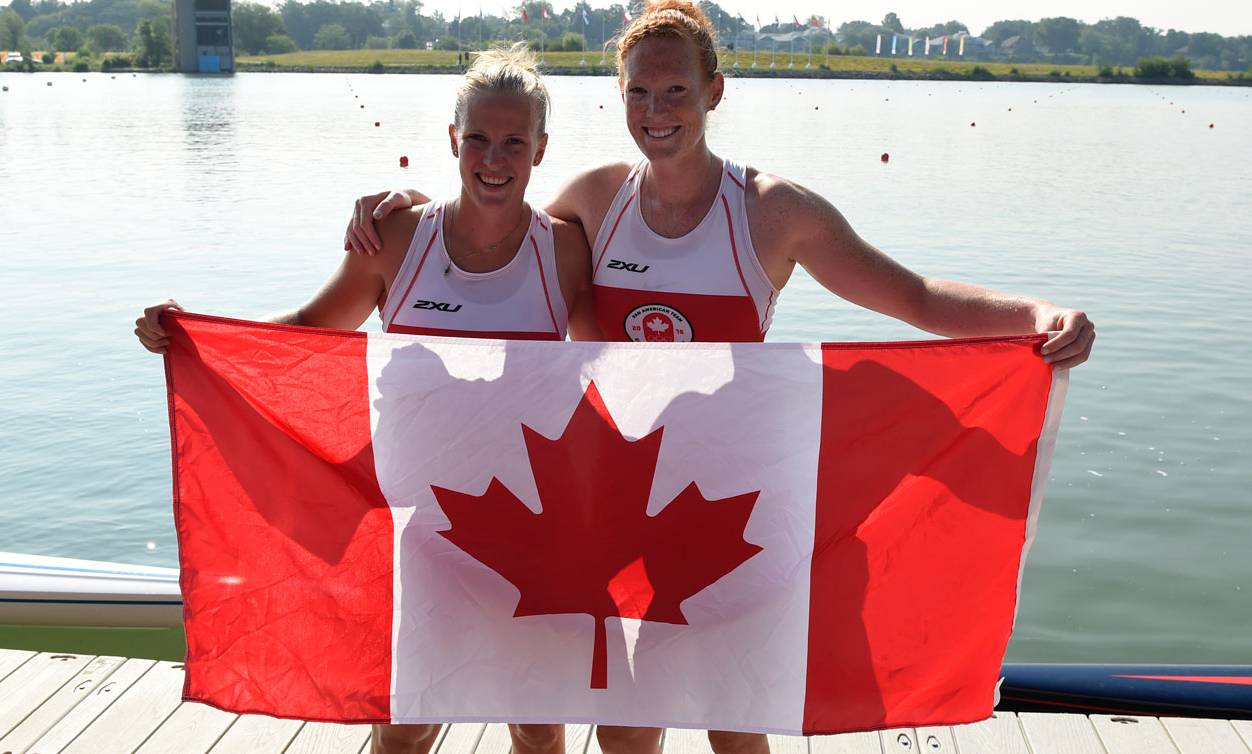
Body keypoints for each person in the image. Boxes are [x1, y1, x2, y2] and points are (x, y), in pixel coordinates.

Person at [344, 2, 1095, 752]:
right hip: (627, 498)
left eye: (676, 90)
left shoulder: (774, 211)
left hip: (736, 498)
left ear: (715, 90)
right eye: (640, 92)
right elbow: (496, 219)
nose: (656, 110)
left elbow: (916, 298)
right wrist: (409, 210)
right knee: (624, 728)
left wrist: (1037, 314)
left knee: (733, 728)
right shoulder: (598, 198)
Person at [135, 46, 595, 754]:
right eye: (477, 137)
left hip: (531, 518)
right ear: (452, 139)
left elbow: (617, 366)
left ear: (541, 149)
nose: (493, 159)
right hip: (417, 520)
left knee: (535, 725)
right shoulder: (396, 238)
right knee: (405, 725)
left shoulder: (566, 252)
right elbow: (311, 329)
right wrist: (194, 337)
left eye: (513, 142)